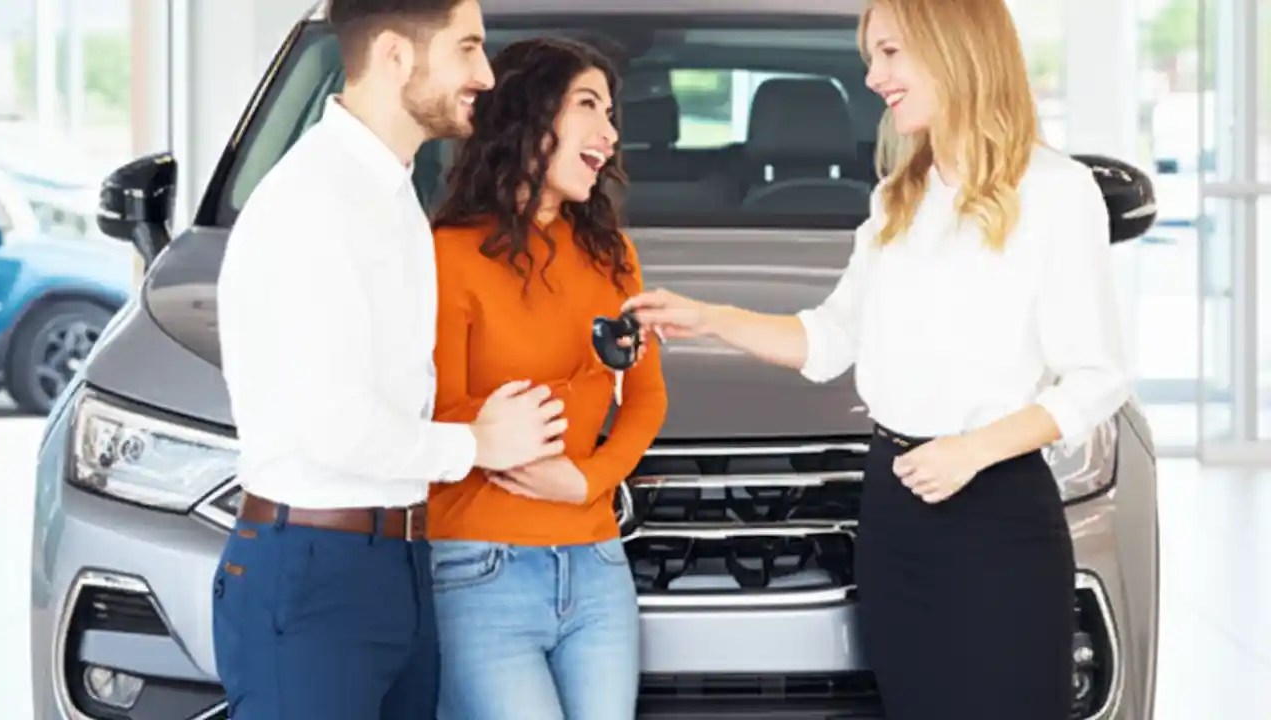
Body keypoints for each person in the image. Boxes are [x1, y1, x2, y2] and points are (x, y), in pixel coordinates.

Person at [621, 1, 1131, 718]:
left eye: (888, 54)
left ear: (952, 48)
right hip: (894, 511)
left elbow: (1100, 377)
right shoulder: (901, 195)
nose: (873, 78)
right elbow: (829, 340)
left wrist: (970, 451)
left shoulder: (1053, 191)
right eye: (872, 56)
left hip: (992, 507)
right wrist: (709, 319)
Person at [210, 2, 571, 718]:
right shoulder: (315, 201)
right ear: (395, 55)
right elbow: (332, 424)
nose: (486, 75)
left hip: (393, 562)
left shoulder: (388, 191)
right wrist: (480, 444)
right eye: (467, 49)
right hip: (315, 572)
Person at [424, 37, 668, 720]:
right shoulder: (449, 256)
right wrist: (566, 397)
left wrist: (588, 479)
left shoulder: (612, 255)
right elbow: (436, 416)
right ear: (529, 118)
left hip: (596, 565)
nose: (611, 133)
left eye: (612, 112)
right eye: (589, 104)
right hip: (481, 570)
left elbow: (647, 396)